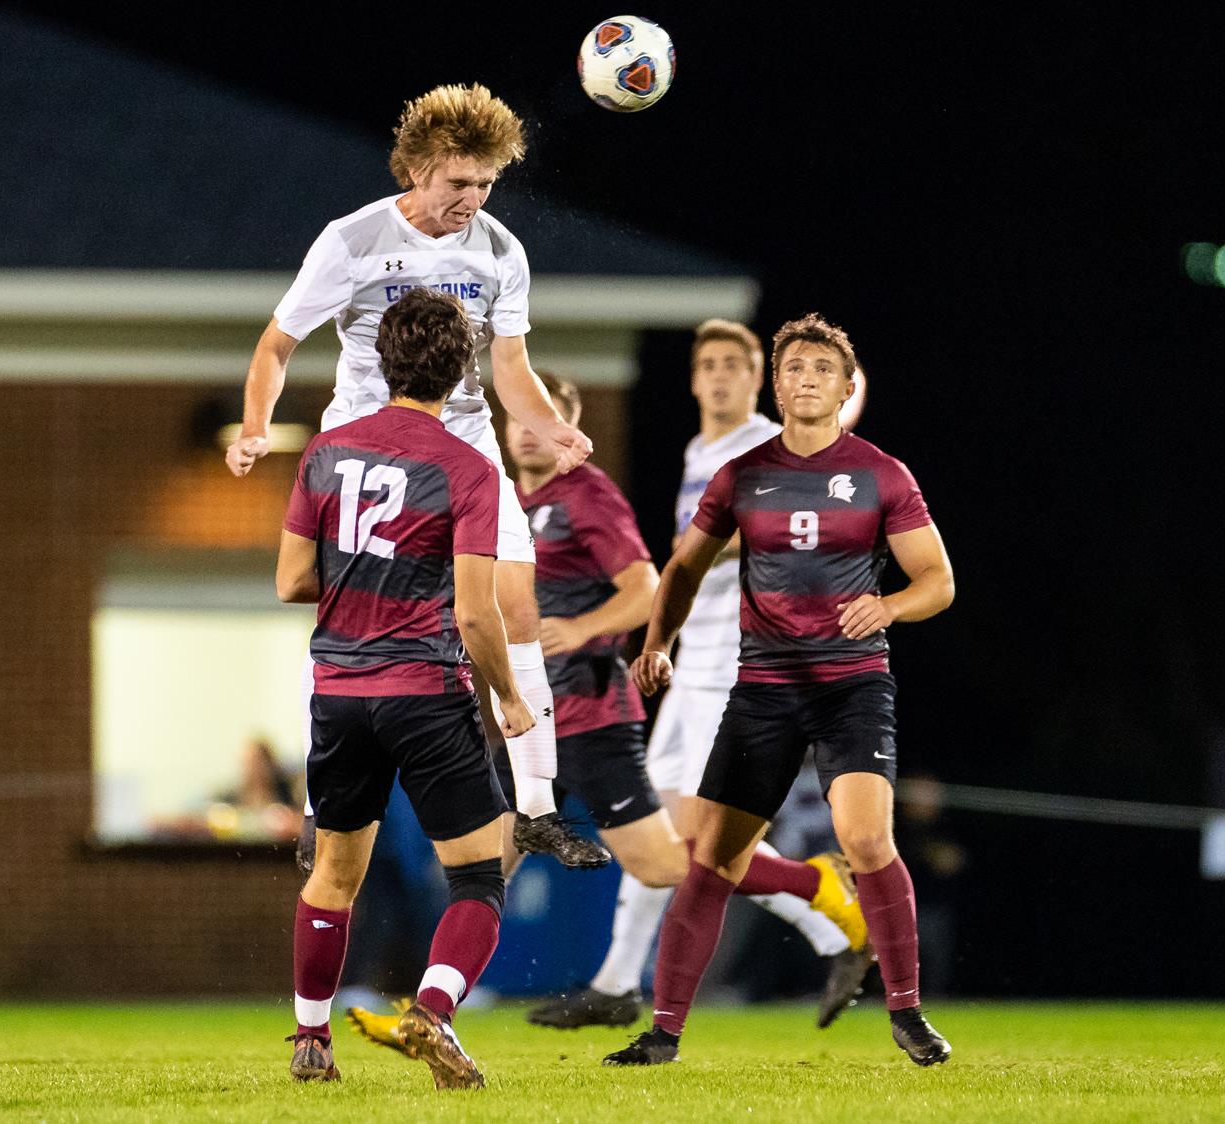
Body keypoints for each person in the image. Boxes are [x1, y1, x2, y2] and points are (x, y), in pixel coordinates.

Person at [228, 83, 605, 869]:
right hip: (368, 447)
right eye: (459, 182)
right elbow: (275, 344)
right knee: (345, 618)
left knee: (514, 603)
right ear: (421, 167)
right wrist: (259, 425)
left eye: (487, 184)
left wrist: (549, 427)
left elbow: (511, 369)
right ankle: (314, 807)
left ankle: (536, 806)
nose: (473, 199)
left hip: (462, 444)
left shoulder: (500, 250)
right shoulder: (353, 240)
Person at [605, 313, 957, 1068]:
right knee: (711, 859)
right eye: (794, 367)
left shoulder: (882, 472)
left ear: (845, 388)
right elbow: (683, 568)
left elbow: (938, 581)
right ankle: (663, 1033)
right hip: (762, 690)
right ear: (778, 383)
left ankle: (907, 1013)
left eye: (822, 370)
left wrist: (890, 605)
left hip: (851, 687)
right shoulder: (742, 473)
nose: (806, 379)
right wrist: (656, 644)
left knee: (866, 839)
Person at [535, 322, 877, 1031]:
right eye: (708, 365)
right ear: (693, 381)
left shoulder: (769, 448)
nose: (719, 376)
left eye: (733, 365)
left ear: (759, 379)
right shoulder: (701, 451)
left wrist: (703, 546)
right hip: (694, 671)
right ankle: (619, 982)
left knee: (698, 842)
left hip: (742, 669)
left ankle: (826, 908)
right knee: (657, 834)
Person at [277, 289, 531, 1090]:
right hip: (424, 689)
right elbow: (475, 611)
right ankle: (433, 1010)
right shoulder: (467, 468)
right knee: (481, 874)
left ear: (380, 362)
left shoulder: (325, 452)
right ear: (463, 375)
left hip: (339, 692)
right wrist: (510, 699)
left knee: (334, 874)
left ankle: (310, 1041)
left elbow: (290, 581)